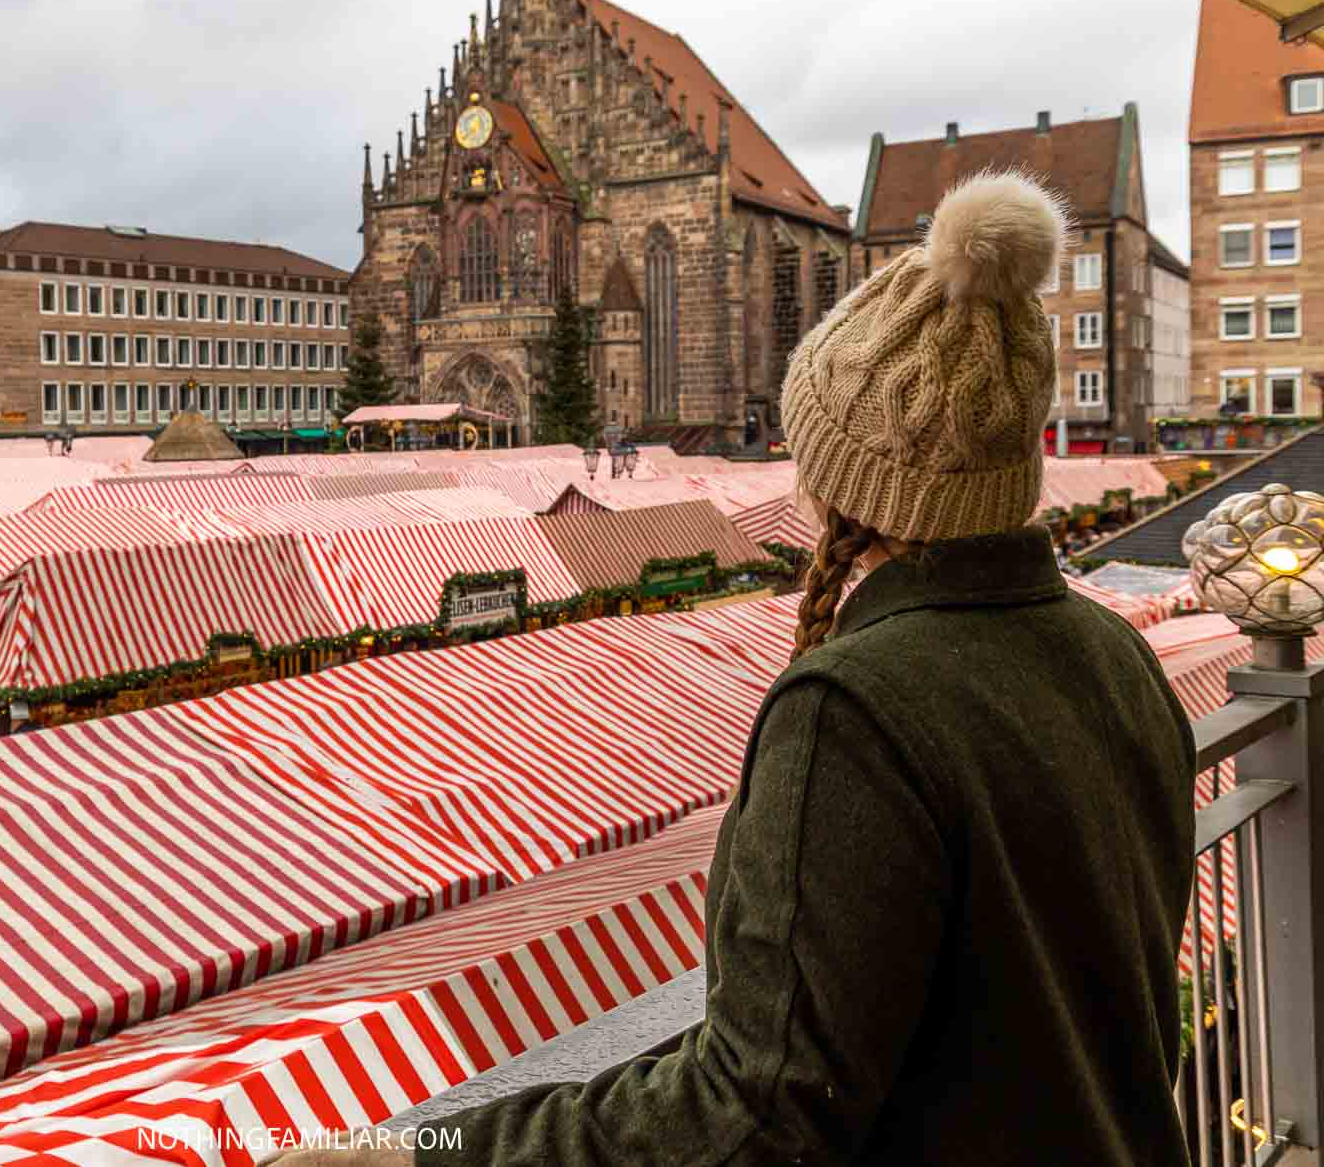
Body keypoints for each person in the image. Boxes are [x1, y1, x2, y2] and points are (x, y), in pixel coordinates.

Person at [271, 171, 1197, 1166]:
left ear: (841, 480)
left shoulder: (856, 708)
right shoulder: (1112, 651)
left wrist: (426, 1149)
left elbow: (755, 1112)